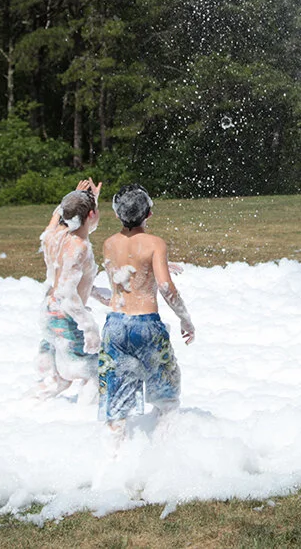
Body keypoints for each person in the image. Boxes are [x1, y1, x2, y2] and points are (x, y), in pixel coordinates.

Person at [98, 184, 195, 435]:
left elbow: (127, 276)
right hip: (146, 327)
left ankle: (113, 462)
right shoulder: (155, 243)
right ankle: (162, 458)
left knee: (117, 406)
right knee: (167, 399)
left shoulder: (108, 244)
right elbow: (165, 286)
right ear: (149, 214)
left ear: (117, 214)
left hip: (115, 327)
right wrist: (185, 320)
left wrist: (156, 263)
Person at [36, 179, 105, 400]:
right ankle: (87, 428)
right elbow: (67, 292)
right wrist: (89, 327)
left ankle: (27, 409)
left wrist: (75, 198)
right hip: (65, 317)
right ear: (92, 216)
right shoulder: (80, 247)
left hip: (47, 313)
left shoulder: (53, 236)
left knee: (56, 382)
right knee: (98, 374)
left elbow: (58, 219)